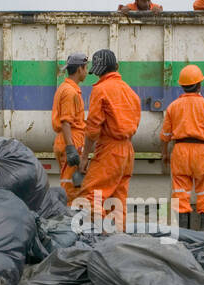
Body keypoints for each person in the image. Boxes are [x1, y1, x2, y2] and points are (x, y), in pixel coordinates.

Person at [74, 49, 141, 233]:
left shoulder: (100, 90)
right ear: (116, 67)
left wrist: (85, 157)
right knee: (117, 202)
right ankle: (117, 244)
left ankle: (99, 241)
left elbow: (93, 130)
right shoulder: (130, 92)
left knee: (90, 196)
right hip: (127, 151)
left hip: (110, 150)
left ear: (98, 70)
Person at [160, 64, 204, 231]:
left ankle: (184, 235)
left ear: (182, 86)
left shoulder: (173, 106)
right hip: (201, 152)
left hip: (179, 151)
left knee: (180, 194)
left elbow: (165, 135)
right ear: (199, 85)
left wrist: (164, 154)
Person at [51, 52, 88, 197]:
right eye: (85, 68)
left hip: (68, 140)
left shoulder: (66, 88)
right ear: (79, 69)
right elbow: (66, 122)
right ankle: (69, 216)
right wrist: (71, 148)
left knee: (73, 184)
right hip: (70, 141)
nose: (86, 72)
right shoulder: (70, 92)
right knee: (71, 186)